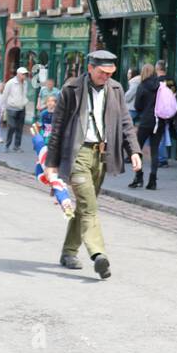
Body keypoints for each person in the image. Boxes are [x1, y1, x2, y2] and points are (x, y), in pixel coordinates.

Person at [44, 50, 142, 278]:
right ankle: (99, 255)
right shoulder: (71, 89)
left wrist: (134, 150)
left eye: (109, 73)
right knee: (89, 206)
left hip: (102, 155)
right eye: (101, 72)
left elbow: (126, 123)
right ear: (90, 68)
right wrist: (51, 163)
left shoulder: (116, 89)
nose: (105, 77)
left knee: (85, 205)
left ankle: (69, 252)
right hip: (78, 153)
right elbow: (57, 128)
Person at [129, 62, 159, 189]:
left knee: (137, 148)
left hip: (146, 120)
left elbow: (137, 106)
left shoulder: (142, 86)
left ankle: (138, 177)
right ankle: (153, 180)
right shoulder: (160, 85)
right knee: (155, 150)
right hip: (159, 121)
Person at [2, 66, 29, 151]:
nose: (25, 76)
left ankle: (17, 146)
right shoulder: (10, 83)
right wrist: (3, 107)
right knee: (12, 127)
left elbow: (25, 94)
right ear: (18, 74)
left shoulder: (25, 83)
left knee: (19, 128)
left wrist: (25, 102)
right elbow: (5, 95)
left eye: (26, 74)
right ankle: (7, 145)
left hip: (21, 107)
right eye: (23, 74)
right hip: (11, 108)